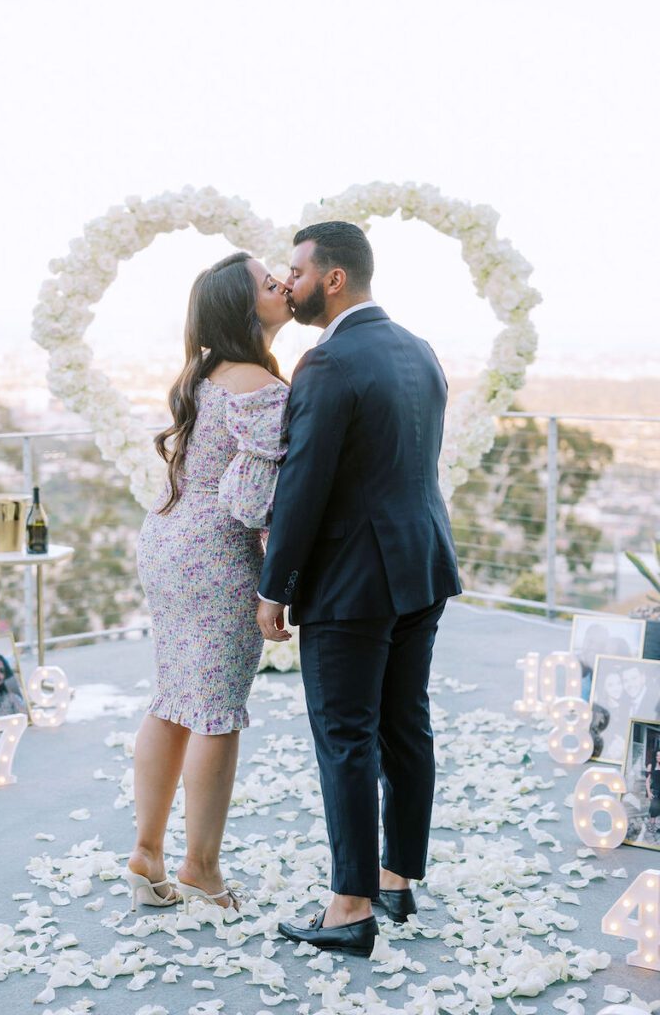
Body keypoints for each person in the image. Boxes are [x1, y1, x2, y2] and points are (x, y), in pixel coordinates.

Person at [256, 221, 461, 956]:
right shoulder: (419, 349)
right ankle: (398, 876)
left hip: (353, 581)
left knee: (345, 736)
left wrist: (275, 585)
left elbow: (304, 485)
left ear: (333, 277)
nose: (291, 283)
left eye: (298, 271)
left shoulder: (328, 362)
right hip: (422, 563)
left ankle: (349, 906)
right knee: (406, 724)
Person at [128, 252, 292, 913]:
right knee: (217, 712)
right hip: (216, 555)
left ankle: (147, 853)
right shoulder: (262, 385)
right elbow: (254, 503)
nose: (282, 283)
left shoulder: (204, 374)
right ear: (242, 305)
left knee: (173, 698)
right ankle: (200, 868)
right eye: (268, 281)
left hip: (165, 540)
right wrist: (281, 573)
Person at [646, 748, 660, 835]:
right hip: (655, 791)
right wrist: (648, 792)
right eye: (658, 755)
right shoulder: (651, 766)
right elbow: (647, 781)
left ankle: (656, 826)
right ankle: (651, 826)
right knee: (654, 808)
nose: (659, 757)